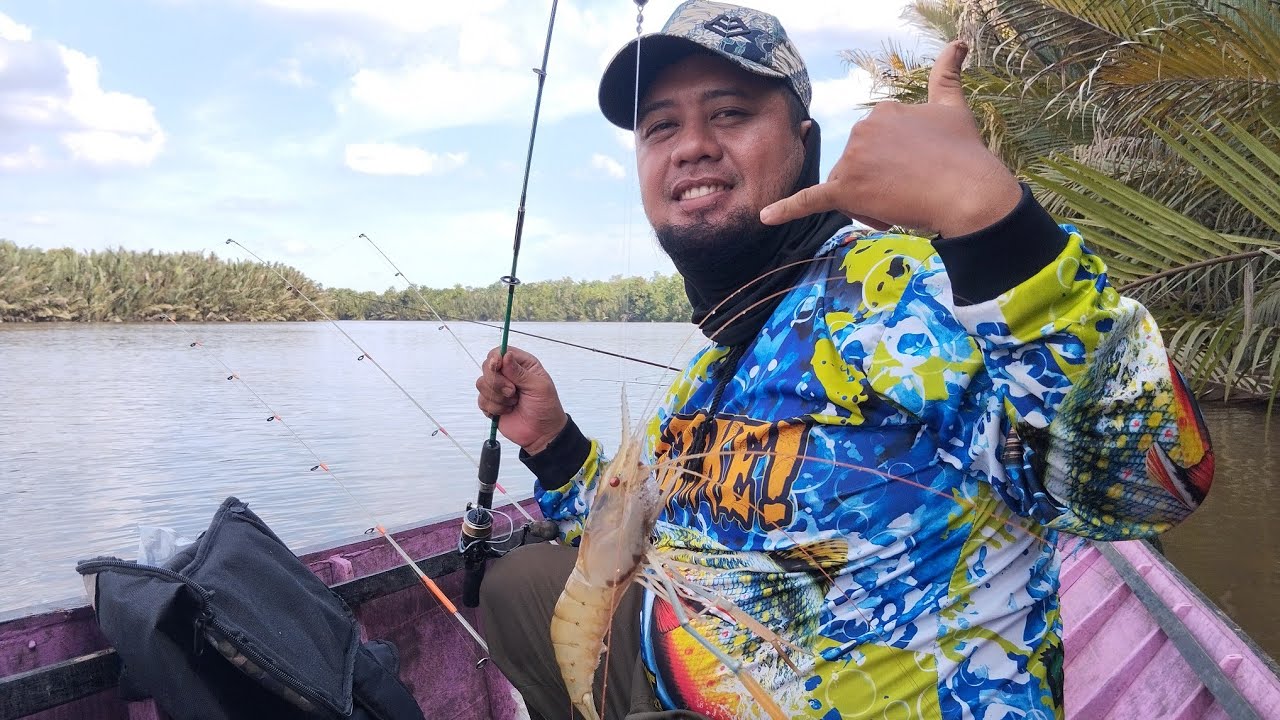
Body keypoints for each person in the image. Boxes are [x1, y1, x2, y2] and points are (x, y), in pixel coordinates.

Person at [474, 2, 1215, 719]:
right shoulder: (710, 373)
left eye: (729, 113)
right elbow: (625, 539)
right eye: (660, 126)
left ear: (804, 142)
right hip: (671, 676)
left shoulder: (898, 292)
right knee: (517, 588)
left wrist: (988, 219)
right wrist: (553, 444)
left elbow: (1150, 482)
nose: (691, 144)